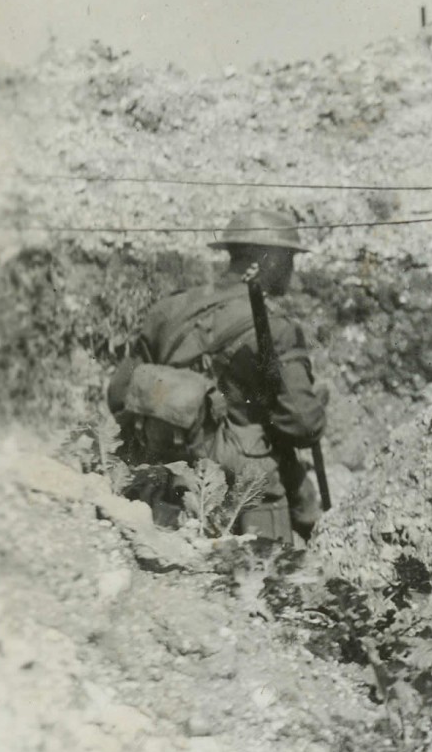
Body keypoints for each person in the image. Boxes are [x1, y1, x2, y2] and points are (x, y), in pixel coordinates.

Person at [106, 210, 328, 543]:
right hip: (246, 499)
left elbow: (119, 394)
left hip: (164, 482)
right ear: (267, 260)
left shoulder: (171, 309)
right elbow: (302, 425)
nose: (292, 271)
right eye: (289, 259)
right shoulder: (277, 329)